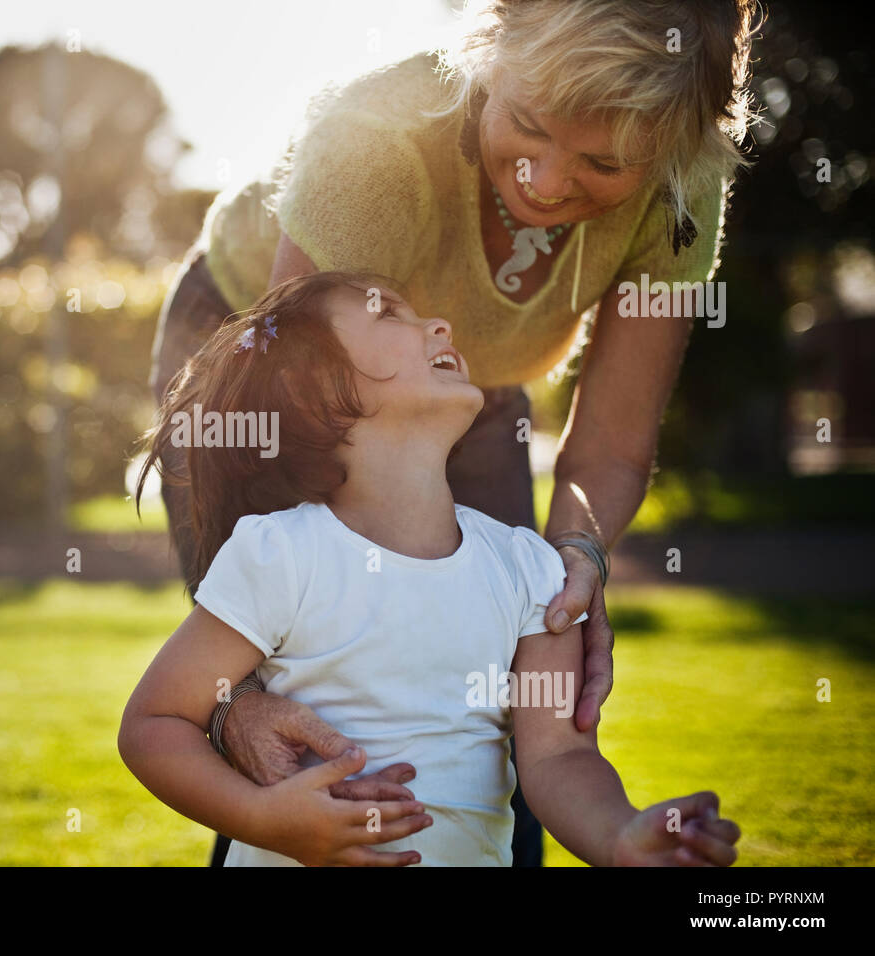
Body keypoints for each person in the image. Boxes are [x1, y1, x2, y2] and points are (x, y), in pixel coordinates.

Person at [146, 0, 760, 866]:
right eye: (529, 127)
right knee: (280, 679)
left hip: (465, 380)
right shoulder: (378, 141)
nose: (546, 183)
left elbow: (610, 446)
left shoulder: (682, 186)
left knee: (510, 670)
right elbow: (285, 414)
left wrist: (572, 563)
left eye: (602, 161)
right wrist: (232, 696)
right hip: (266, 363)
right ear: (493, 50)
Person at [122, 272, 742, 866]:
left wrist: (621, 837)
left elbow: (558, 758)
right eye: (390, 313)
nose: (441, 325)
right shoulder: (280, 554)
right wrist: (264, 821)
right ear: (315, 392)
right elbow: (157, 722)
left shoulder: (531, 571)